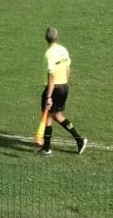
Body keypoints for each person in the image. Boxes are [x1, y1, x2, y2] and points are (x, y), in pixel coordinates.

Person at [36, 26, 86, 156]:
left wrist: (49, 96)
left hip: (54, 88)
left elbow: (52, 76)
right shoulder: (63, 50)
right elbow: (68, 69)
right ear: (57, 37)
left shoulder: (49, 54)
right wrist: (64, 82)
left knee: (48, 116)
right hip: (64, 86)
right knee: (57, 115)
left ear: (46, 38)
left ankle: (46, 149)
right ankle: (79, 140)